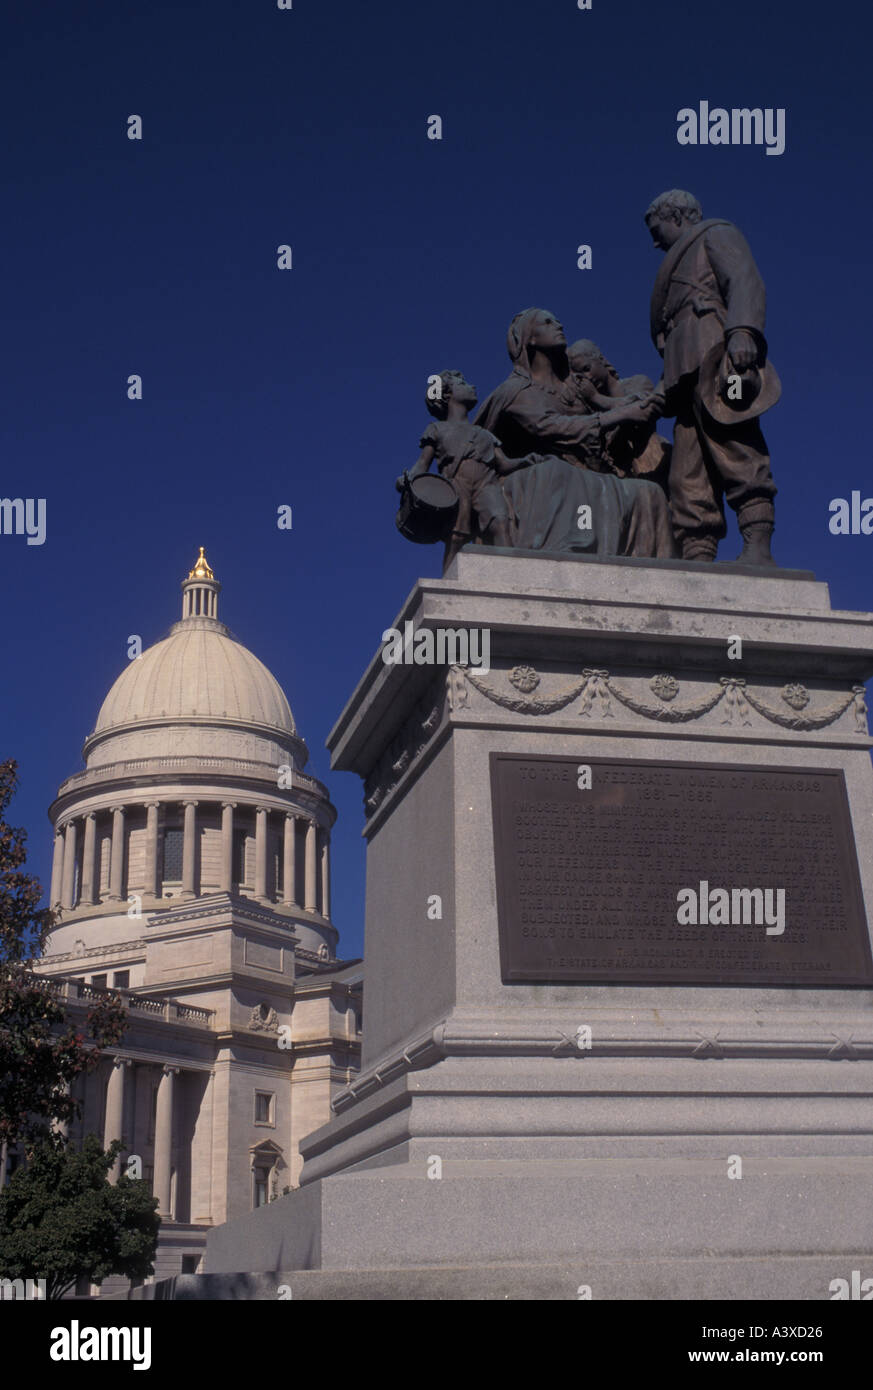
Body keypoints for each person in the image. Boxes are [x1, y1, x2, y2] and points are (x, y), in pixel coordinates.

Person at [475, 308, 676, 558]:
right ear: (531, 339)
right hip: (531, 474)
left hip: (589, 473)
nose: (558, 324)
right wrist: (621, 415)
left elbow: (612, 405)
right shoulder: (515, 391)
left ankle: (648, 577)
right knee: (558, 473)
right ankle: (566, 555)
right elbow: (553, 427)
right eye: (547, 322)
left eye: (557, 320)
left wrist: (639, 404)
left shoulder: (575, 387)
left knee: (651, 493)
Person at [645, 189, 778, 563]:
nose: (655, 242)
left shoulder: (716, 234)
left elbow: (744, 281)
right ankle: (698, 553)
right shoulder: (674, 261)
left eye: (658, 230)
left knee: (735, 443)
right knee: (687, 471)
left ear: (677, 217)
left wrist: (742, 332)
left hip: (718, 362)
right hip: (683, 374)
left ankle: (757, 545)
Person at [398, 369, 532, 567]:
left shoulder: (484, 434)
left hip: (487, 484)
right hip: (457, 486)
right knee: (457, 536)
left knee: (501, 522)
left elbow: (503, 464)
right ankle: (449, 586)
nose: (472, 387)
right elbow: (422, 465)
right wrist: (407, 480)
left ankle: (511, 577)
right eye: (463, 384)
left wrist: (526, 461)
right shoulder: (437, 429)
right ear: (447, 394)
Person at [567, 338, 670, 485]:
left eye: (586, 368)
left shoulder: (638, 383)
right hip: (621, 478)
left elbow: (640, 412)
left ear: (600, 359)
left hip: (652, 465)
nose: (588, 377)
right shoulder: (591, 413)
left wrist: (596, 398)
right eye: (582, 378)